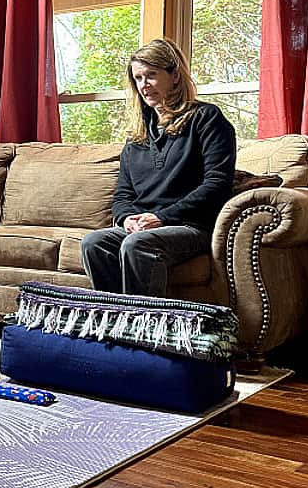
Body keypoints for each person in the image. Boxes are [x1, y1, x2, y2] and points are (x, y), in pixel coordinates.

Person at [81, 38, 237, 298]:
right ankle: (116, 317)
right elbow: (123, 195)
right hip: (144, 227)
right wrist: (127, 219)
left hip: (190, 226)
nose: (144, 85)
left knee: (137, 244)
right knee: (94, 242)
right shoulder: (137, 136)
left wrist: (162, 217)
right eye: (138, 78)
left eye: (151, 75)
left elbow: (217, 183)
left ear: (174, 75)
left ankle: (145, 321)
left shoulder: (207, 119)